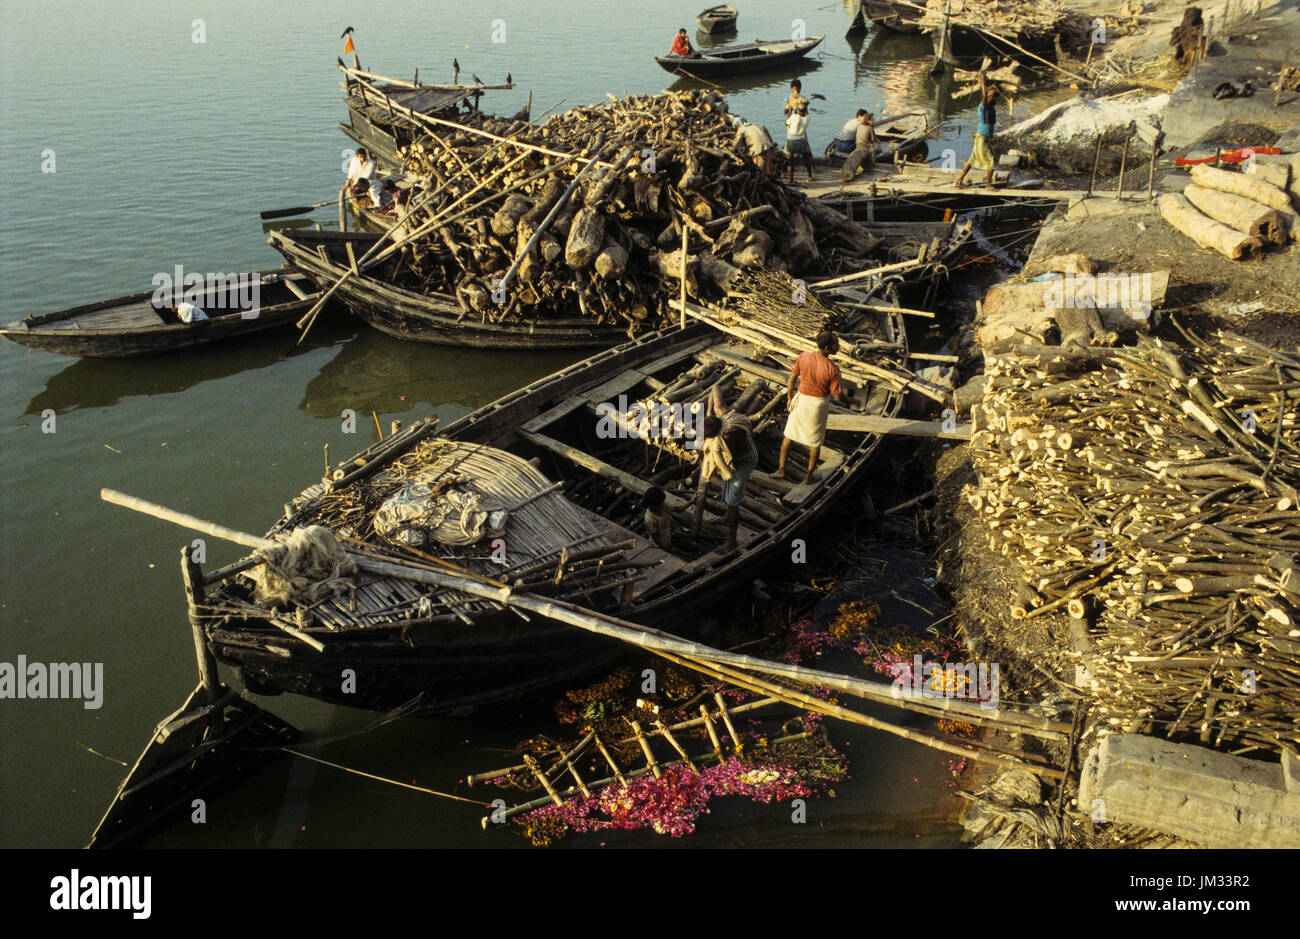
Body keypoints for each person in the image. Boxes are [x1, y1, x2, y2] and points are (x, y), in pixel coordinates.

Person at [776, 331, 856, 484]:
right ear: (827, 348)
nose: (838, 347)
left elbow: (792, 379)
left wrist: (789, 398)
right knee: (815, 442)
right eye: (836, 345)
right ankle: (809, 476)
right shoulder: (833, 369)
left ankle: (781, 470)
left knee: (789, 436)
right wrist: (853, 401)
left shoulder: (803, 357)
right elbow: (838, 396)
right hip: (817, 405)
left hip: (801, 400)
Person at [686, 385, 757, 553]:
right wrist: (710, 411)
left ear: (716, 435)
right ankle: (726, 517)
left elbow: (724, 465)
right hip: (737, 452)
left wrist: (709, 462)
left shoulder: (728, 437)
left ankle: (732, 541)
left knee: (733, 500)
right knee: (726, 486)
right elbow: (715, 388)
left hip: (743, 461)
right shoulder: (722, 412)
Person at [956, 72, 998, 189]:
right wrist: (982, 82)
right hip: (981, 139)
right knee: (991, 161)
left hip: (983, 138)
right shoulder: (983, 106)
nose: (993, 97)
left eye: (994, 96)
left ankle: (959, 181)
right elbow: (984, 97)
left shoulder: (991, 108)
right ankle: (988, 185)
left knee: (971, 161)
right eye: (992, 95)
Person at [840, 110, 877, 184]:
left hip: (839, 143)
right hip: (847, 145)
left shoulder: (851, 121)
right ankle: (869, 167)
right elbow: (871, 139)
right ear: (861, 116)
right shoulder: (863, 125)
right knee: (871, 150)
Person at [784, 103, 814, 182]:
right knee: (806, 157)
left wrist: (790, 111)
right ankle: (810, 176)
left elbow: (786, 123)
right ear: (806, 111)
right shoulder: (808, 118)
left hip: (791, 142)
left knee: (790, 161)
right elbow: (806, 114)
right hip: (801, 141)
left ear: (798, 110)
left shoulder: (794, 117)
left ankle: (791, 179)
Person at [643, 486, 674, 551]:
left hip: (666, 536)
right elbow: (656, 539)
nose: (663, 504)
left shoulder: (661, 507)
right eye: (661, 504)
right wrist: (663, 550)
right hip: (659, 544)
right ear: (652, 505)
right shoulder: (650, 520)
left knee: (667, 544)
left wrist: (690, 502)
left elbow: (676, 509)